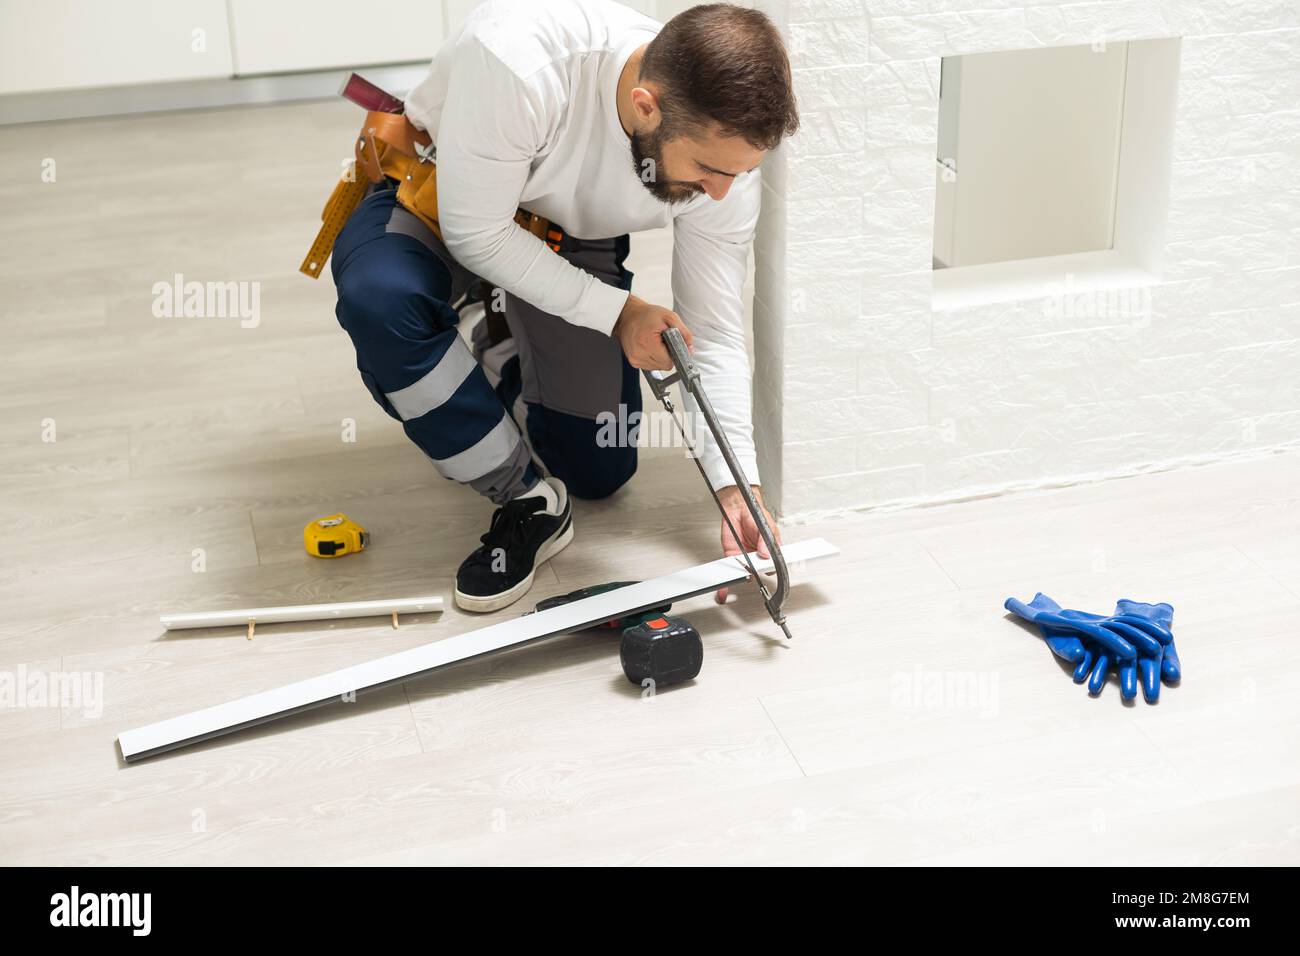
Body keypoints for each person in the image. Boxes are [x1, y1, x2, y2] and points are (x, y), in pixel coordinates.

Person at [331, 0, 799, 612]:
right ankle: (524, 496)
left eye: (738, 173)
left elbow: (711, 330)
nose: (720, 193)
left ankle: (493, 327)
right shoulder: (518, 62)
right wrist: (618, 312)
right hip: (443, 192)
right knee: (380, 302)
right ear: (645, 106)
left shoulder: (726, 158)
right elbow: (478, 236)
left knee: (598, 468)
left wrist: (738, 486)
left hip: (564, 228)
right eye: (709, 170)